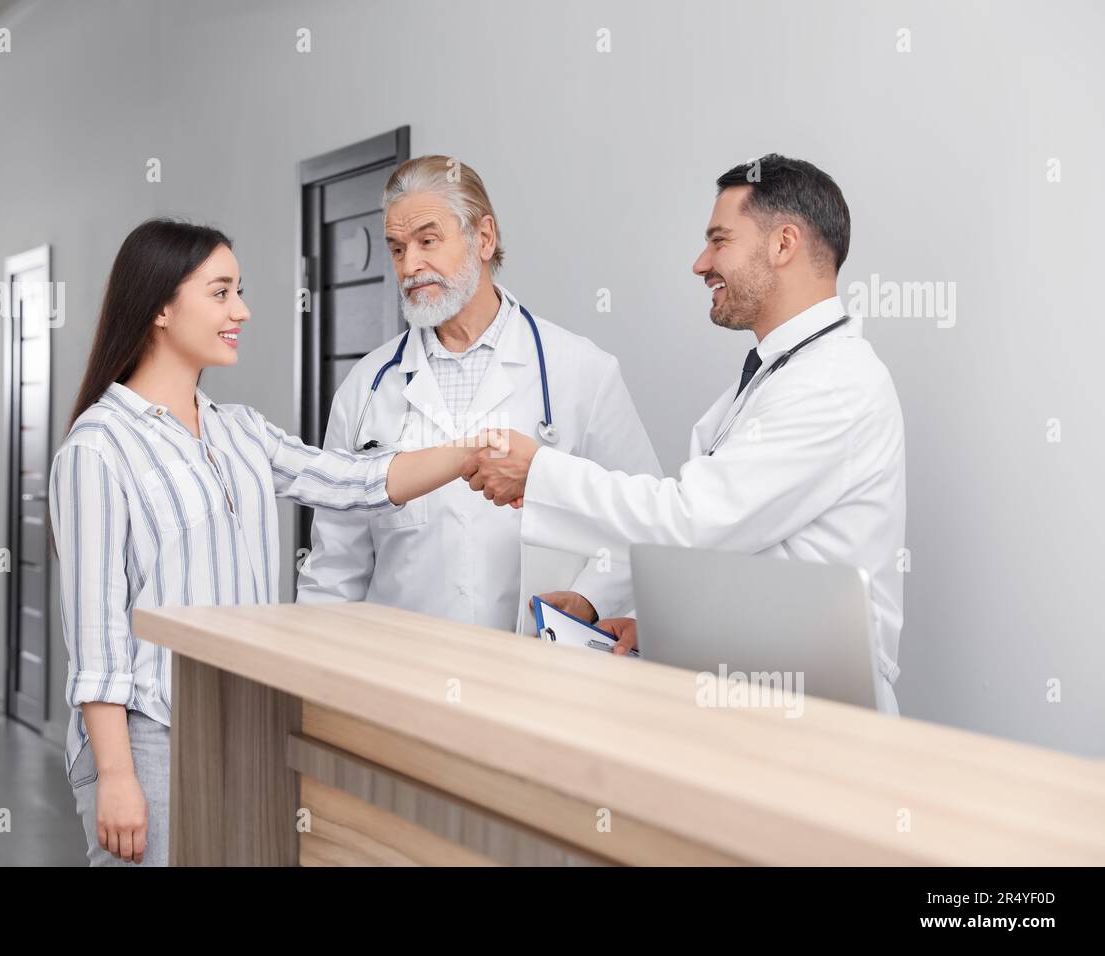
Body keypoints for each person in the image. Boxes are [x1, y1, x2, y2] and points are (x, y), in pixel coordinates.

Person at [49, 218, 486, 865]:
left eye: (240, 292)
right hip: (151, 739)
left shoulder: (240, 433)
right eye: (222, 293)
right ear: (162, 307)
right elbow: (96, 636)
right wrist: (116, 776)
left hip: (245, 730)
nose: (243, 311)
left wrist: (476, 452)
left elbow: (359, 480)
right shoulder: (99, 447)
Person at [463, 154, 907, 713]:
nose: (701, 263)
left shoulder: (836, 383)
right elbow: (735, 553)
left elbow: (692, 520)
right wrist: (627, 617)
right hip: (761, 691)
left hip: (818, 710)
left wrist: (538, 472)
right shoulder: (774, 378)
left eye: (719, 240)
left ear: (783, 244)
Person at [296, 155, 661, 630]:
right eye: (397, 248)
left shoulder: (580, 370)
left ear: (484, 238)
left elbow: (645, 520)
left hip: (537, 669)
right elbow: (335, 567)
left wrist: (589, 598)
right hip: (402, 673)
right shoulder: (364, 389)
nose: (410, 265)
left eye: (428, 241)